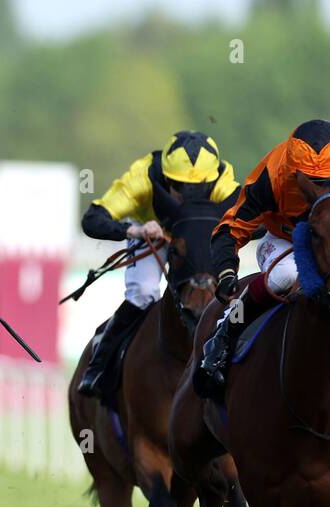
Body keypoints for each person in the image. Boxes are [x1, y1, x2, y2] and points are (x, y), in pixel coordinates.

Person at [193, 118, 330, 400]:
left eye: (329, 180)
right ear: (293, 170)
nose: (321, 190)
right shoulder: (273, 173)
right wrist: (225, 270)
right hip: (286, 238)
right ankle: (224, 336)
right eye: (313, 181)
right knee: (287, 275)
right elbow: (231, 228)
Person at [77, 130, 240, 396]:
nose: (190, 197)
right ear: (165, 178)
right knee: (143, 292)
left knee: (217, 292)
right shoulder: (141, 177)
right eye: (182, 188)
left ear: (214, 180)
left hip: (198, 236)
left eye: (200, 190)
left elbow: (253, 218)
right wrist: (135, 232)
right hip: (153, 232)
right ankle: (98, 367)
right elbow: (92, 220)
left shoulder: (225, 181)